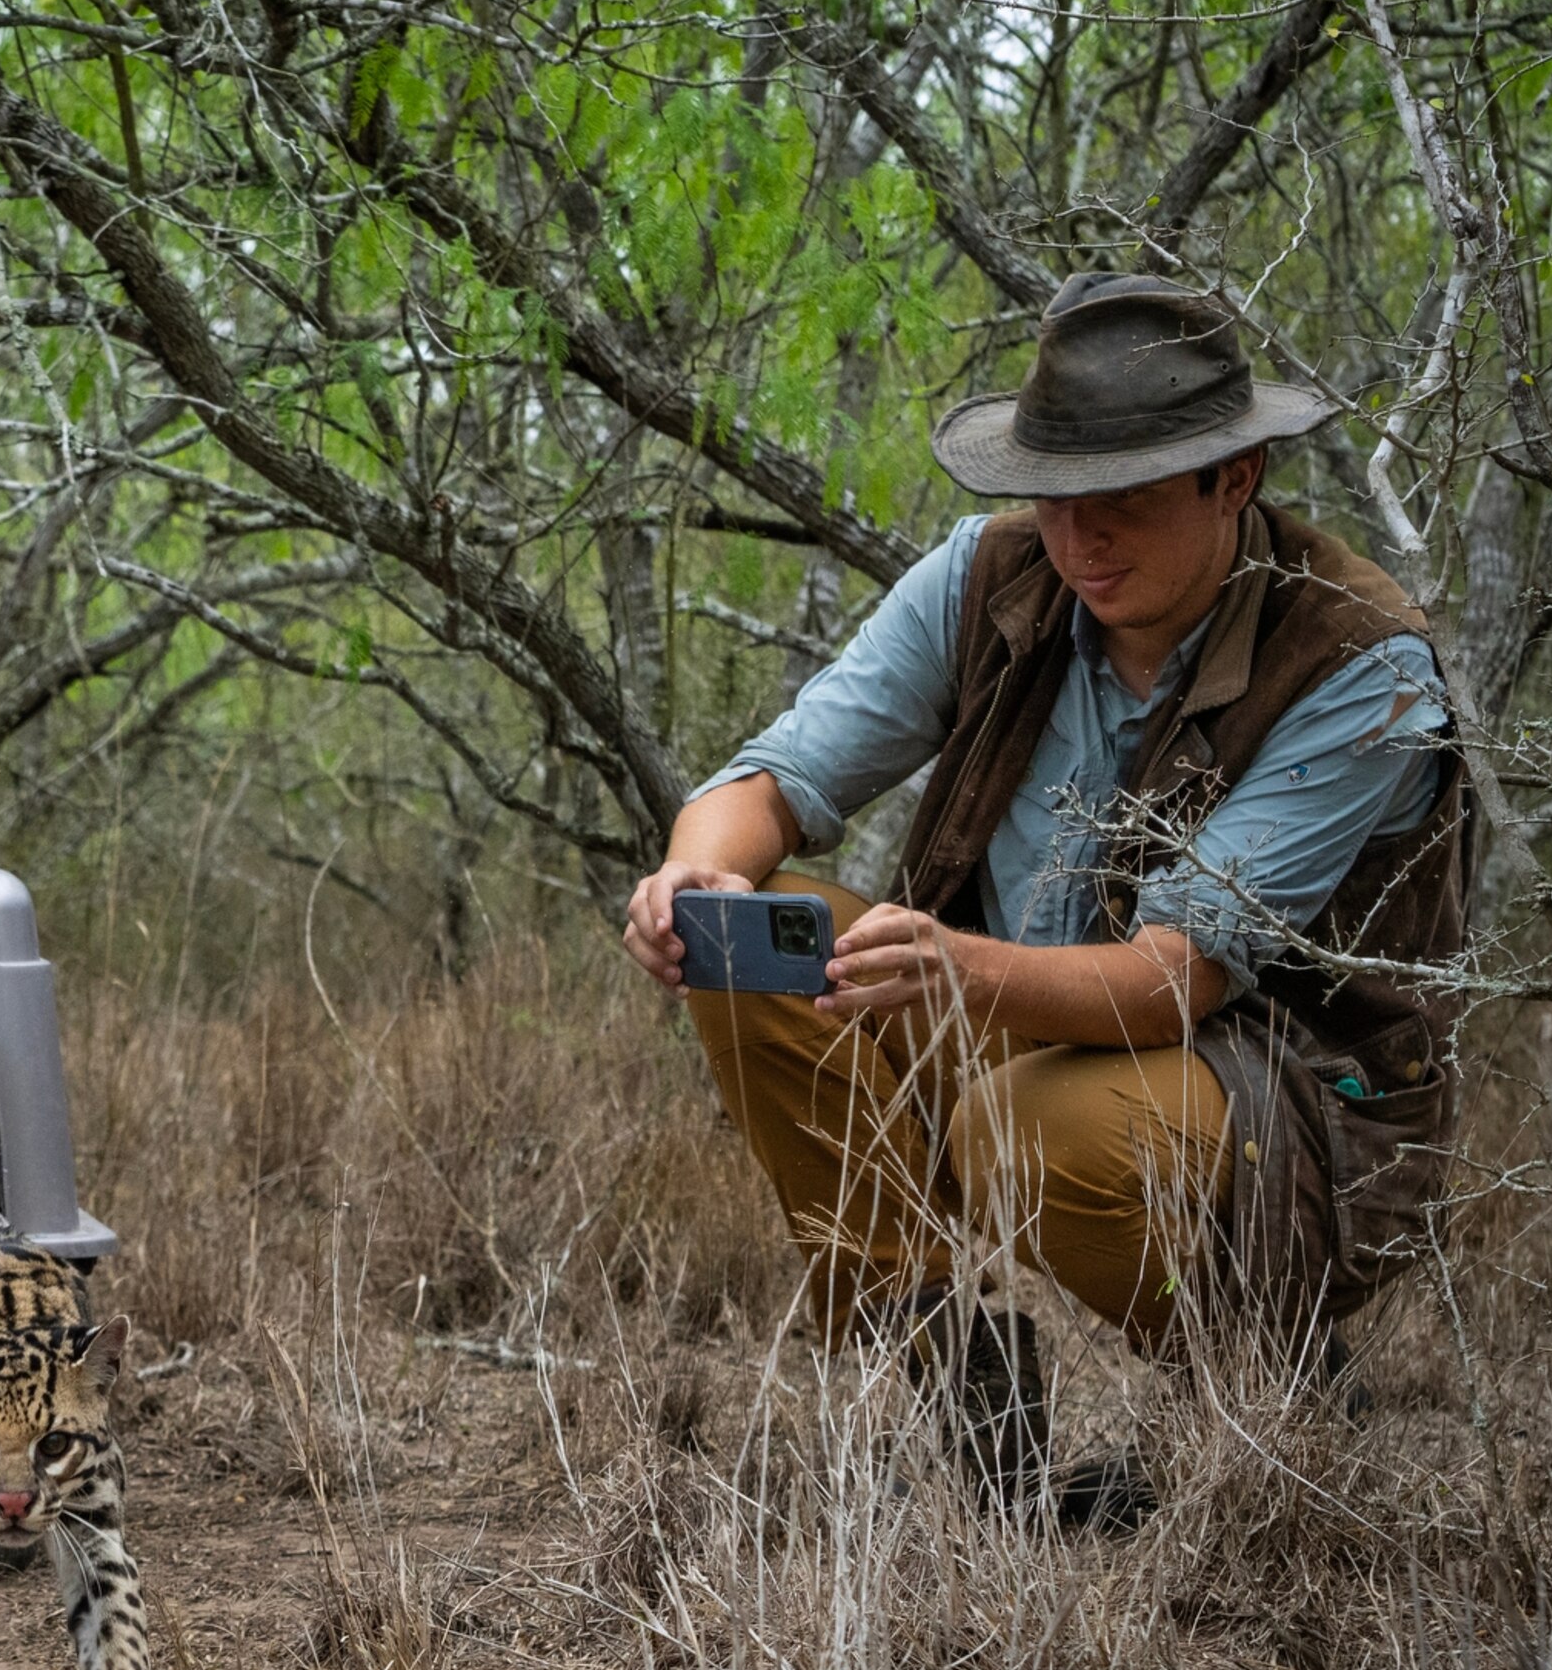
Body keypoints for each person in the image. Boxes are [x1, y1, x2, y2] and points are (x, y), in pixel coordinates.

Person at [623, 273, 1463, 1528]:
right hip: (1019, 1019)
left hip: (1281, 1105)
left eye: (1121, 499)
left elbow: (1179, 975)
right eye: (1055, 499)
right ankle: (962, 1379)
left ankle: (1265, 1383)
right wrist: (699, 862)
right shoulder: (993, 576)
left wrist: (961, 973)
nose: (1081, 541)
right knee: (761, 947)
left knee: (1036, 1119)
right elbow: (775, 777)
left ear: (1233, 481)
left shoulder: (1358, 663)